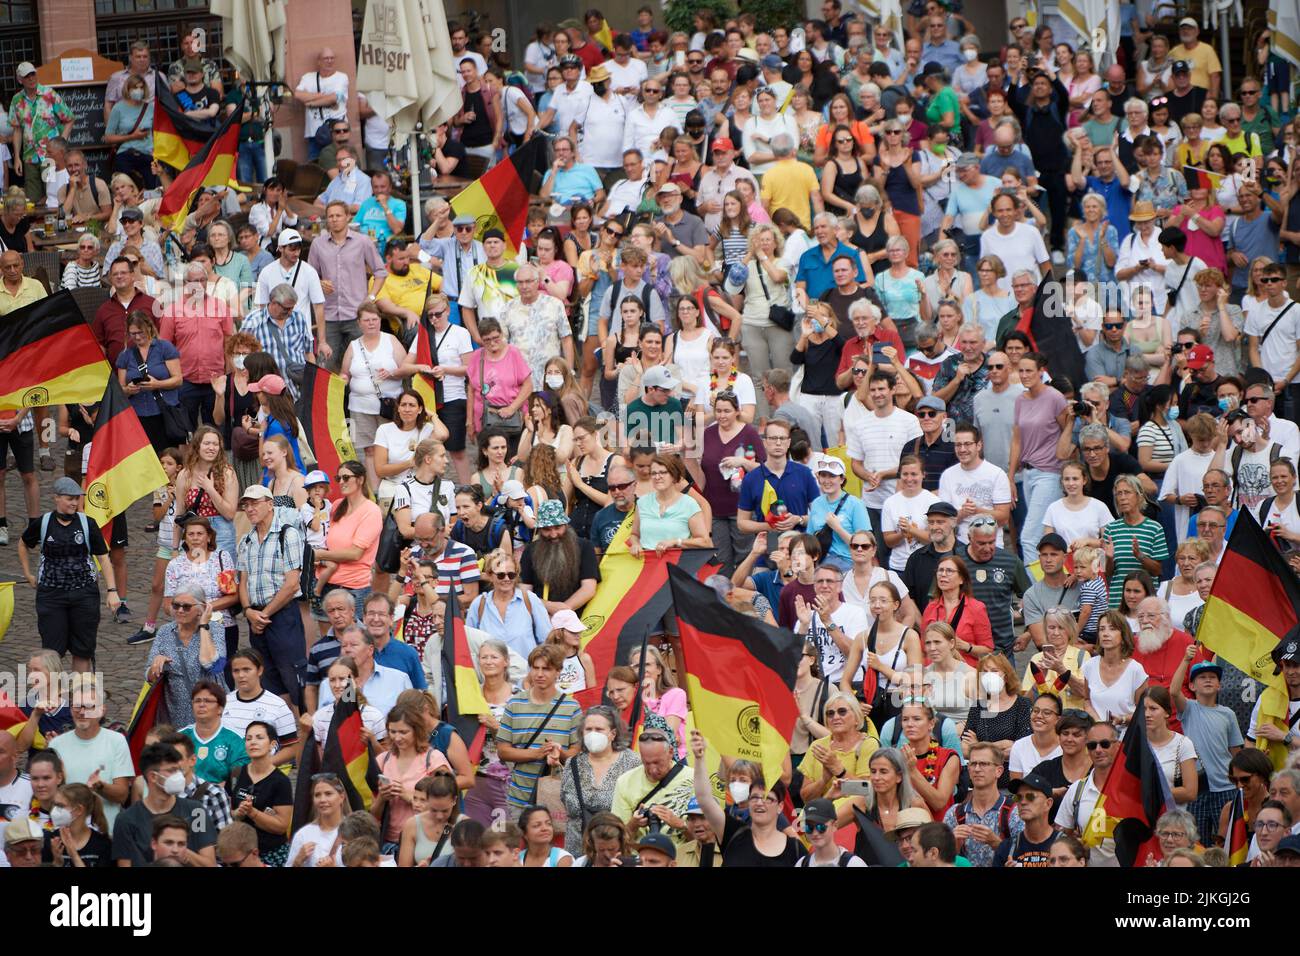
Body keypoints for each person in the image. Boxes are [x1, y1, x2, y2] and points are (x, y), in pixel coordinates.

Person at [235, 485, 307, 710]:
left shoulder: (288, 534)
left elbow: (292, 583)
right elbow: (243, 581)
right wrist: (248, 612)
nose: (249, 509)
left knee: (294, 675)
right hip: (256, 616)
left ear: (269, 504)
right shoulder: (246, 541)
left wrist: (263, 615)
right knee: (268, 680)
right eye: (246, 505)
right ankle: (283, 730)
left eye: (255, 503)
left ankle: (306, 732)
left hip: (281, 615)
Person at [689, 731, 805, 866]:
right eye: (754, 797)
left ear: (779, 807)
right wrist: (699, 759)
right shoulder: (731, 829)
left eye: (766, 799)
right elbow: (704, 798)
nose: (759, 803)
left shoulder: (794, 848)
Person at [112, 742, 214, 866]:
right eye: (171, 770)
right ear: (153, 777)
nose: (178, 776)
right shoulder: (127, 820)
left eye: (178, 770)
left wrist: (178, 852)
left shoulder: (196, 811)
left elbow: (209, 864)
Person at [560, 705, 642, 849]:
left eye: (599, 729)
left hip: (616, 850)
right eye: (588, 729)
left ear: (613, 734)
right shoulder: (572, 764)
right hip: (577, 850)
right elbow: (564, 799)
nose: (593, 734)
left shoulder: (632, 762)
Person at [229, 721, 294, 866]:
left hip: (270, 853)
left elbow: (281, 826)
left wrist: (253, 813)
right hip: (240, 852)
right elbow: (230, 812)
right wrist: (238, 813)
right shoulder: (236, 773)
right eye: (249, 738)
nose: (253, 742)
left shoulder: (280, 781)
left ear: (272, 745)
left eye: (259, 737)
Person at [288, 773, 348, 867]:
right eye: (317, 795)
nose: (322, 799)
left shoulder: (355, 832)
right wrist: (297, 862)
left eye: (328, 794)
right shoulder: (303, 834)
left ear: (341, 797)